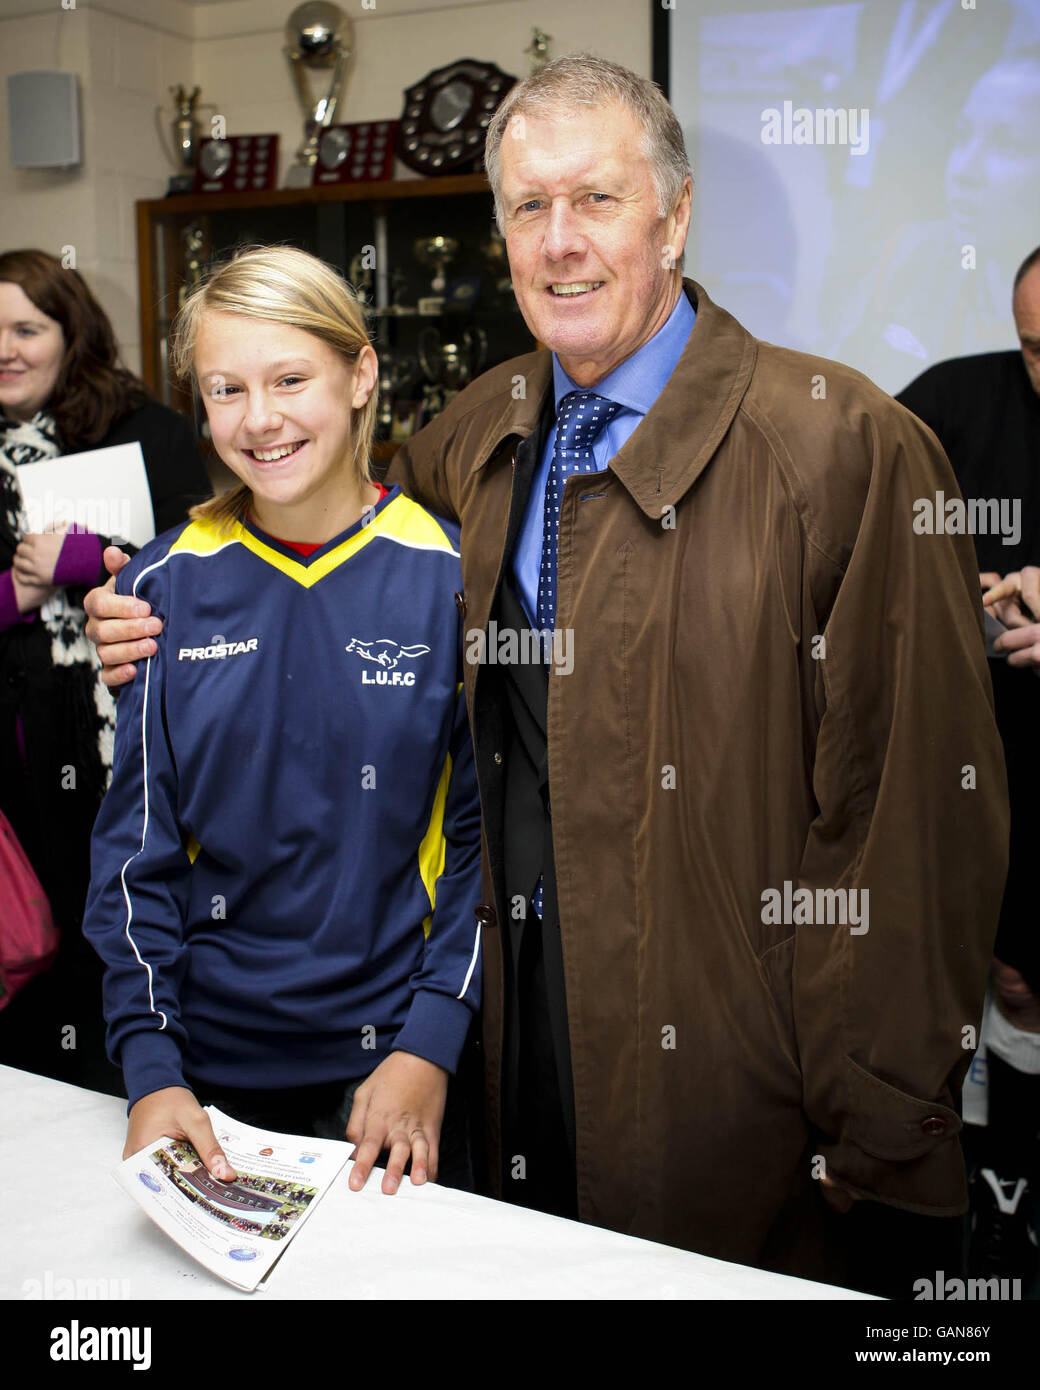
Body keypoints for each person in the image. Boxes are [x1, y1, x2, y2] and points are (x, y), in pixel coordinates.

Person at [84, 55, 1008, 1296]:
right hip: (506, 1052)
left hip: (745, 1082)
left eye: (598, 202)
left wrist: (885, 1129)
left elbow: (915, 832)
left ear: (675, 217)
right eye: (527, 207)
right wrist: (143, 604)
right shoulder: (474, 432)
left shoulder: (844, 450)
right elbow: (326, 553)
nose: (558, 243)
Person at [80, 245, 482, 1195]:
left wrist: (430, 1044)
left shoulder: (451, 580)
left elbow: (479, 849)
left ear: (360, 375)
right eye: (225, 389)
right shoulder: (159, 591)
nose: (259, 419)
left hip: (390, 1075)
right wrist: (150, 1069)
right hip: (201, 1078)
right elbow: (131, 861)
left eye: (291, 378)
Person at [0, 249, 211, 1092]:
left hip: (135, 733)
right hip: (14, 760)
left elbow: (200, 569)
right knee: (33, 942)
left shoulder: (145, 428)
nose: (6, 349)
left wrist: (84, 555)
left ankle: (150, 1085)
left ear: (70, 333)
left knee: (131, 919)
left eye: (26, 329)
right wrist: (19, 588)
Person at [897, 244, 1040, 1286]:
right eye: (1033, 349)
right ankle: (1003, 1194)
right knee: (1005, 975)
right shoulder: (953, 396)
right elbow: (859, 512)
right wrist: (958, 587)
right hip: (975, 758)